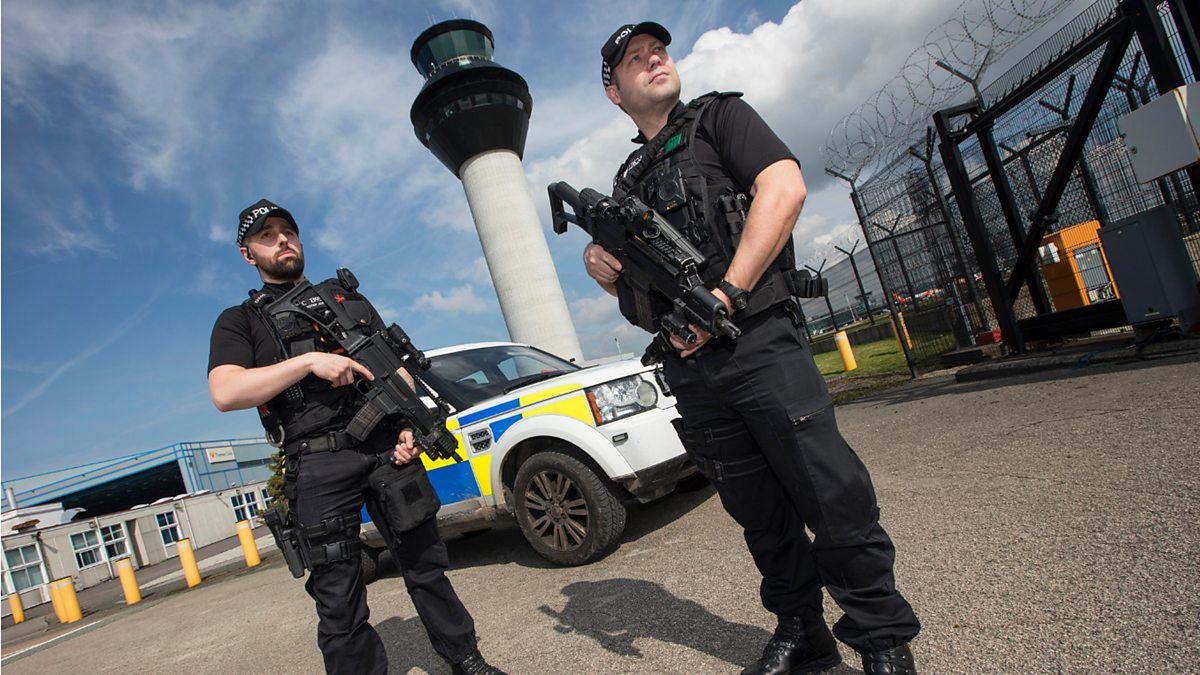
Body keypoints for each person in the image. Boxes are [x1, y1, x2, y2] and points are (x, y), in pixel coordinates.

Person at [583, 23, 921, 675]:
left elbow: (785, 186)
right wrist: (609, 272)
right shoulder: (627, 187)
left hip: (758, 337)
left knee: (830, 489)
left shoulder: (720, 119)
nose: (654, 60)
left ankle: (881, 636)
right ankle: (804, 633)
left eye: (659, 51)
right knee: (757, 510)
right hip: (692, 365)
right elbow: (641, 299)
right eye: (634, 60)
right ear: (614, 93)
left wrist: (728, 293)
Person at [208, 199, 505, 675]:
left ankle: (466, 660)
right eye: (268, 235)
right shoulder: (241, 321)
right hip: (318, 463)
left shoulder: (346, 300)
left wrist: (409, 425)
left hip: (388, 448)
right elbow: (225, 391)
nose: (283, 239)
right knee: (339, 596)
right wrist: (308, 363)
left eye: (289, 230)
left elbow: (396, 370)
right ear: (249, 254)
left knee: (426, 567)